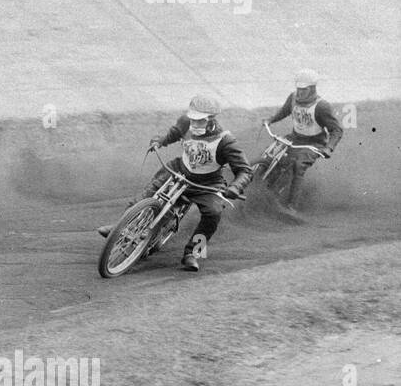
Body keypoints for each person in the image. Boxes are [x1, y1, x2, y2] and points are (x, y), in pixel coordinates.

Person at [98, 95, 252, 272]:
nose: (194, 125)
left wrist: (235, 187)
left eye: (200, 121)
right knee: (148, 194)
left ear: (211, 120)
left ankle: (193, 253)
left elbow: (245, 170)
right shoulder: (186, 122)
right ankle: (120, 227)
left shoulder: (225, 141)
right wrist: (160, 141)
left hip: (207, 183)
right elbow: (175, 133)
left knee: (213, 213)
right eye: (192, 120)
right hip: (179, 170)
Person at [263, 69, 343, 214]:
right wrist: (271, 120)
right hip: (294, 137)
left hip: (314, 144)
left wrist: (329, 148)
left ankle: (291, 207)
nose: (300, 93)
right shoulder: (293, 98)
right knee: (272, 154)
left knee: (298, 166)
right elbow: (284, 111)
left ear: (312, 88)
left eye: (304, 90)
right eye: (298, 89)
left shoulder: (321, 106)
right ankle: (259, 183)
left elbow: (337, 130)